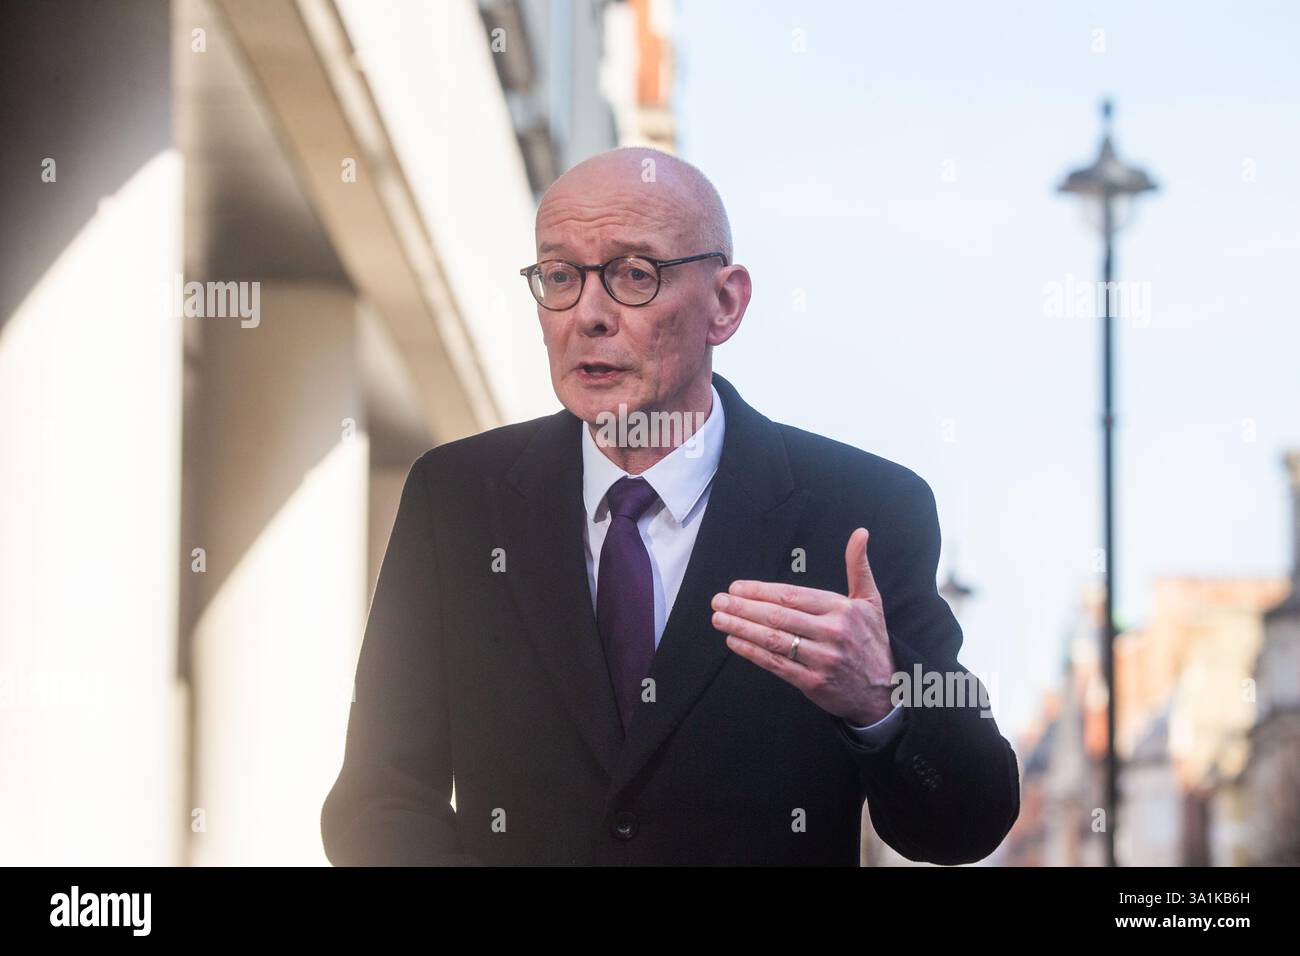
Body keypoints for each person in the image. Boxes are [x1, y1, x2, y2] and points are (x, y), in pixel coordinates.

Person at [320, 147, 1019, 865]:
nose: (588, 315)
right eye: (559, 276)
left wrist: (882, 702)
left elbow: (967, 823)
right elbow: (382, 793)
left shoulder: (862, 509)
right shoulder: (458, 499)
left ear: (725, 303)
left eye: (633, 275)